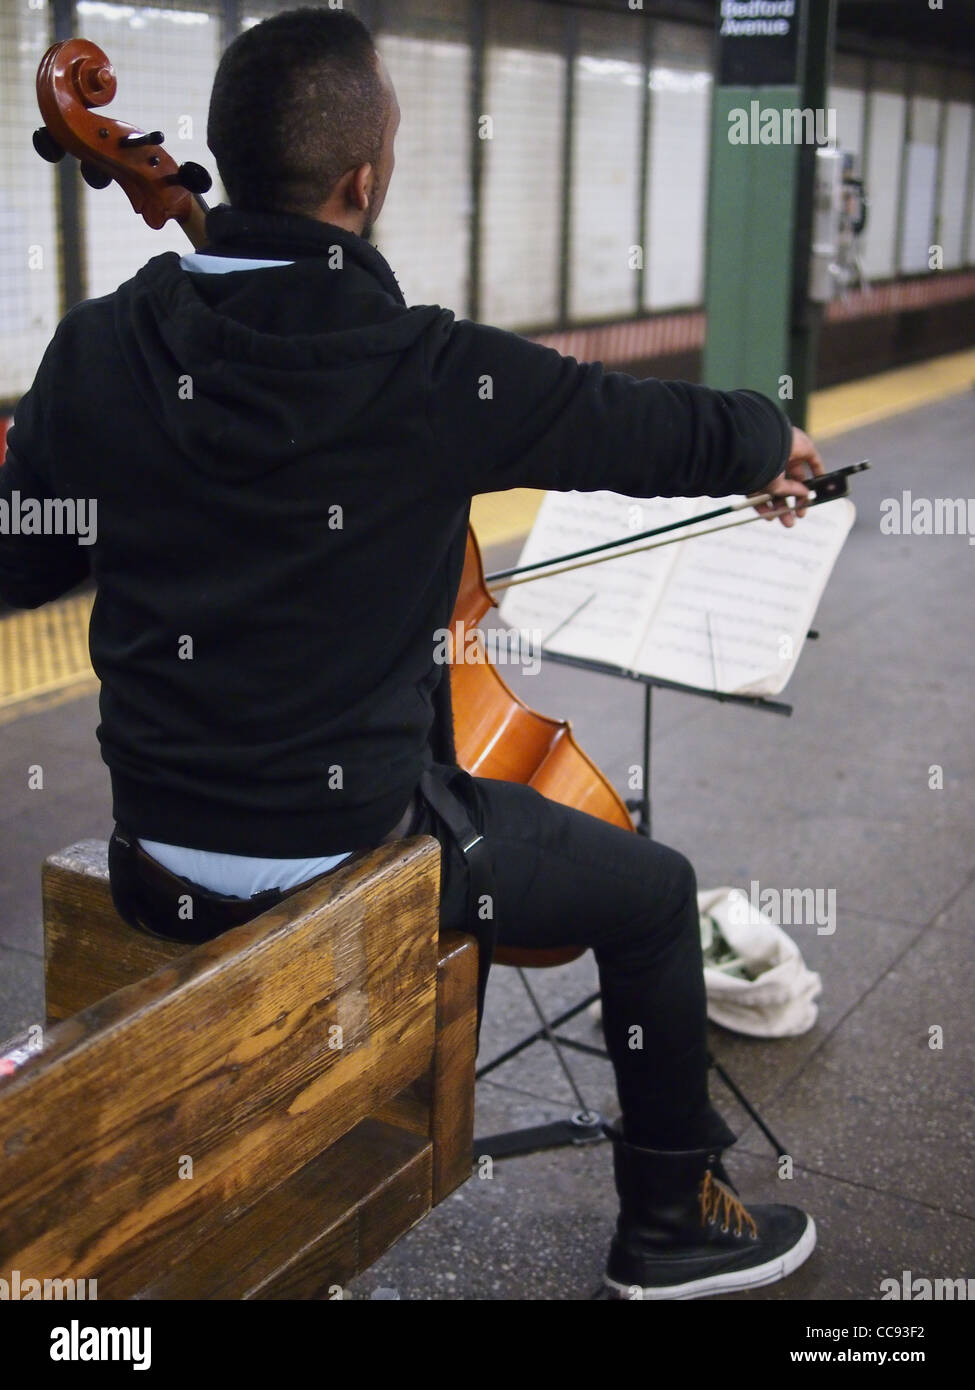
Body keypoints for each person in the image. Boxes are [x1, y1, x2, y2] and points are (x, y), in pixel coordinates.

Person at [0, 8, 824, 1300]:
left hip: (153, 866)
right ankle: (670, 1216)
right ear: (363, 182)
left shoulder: (100, 352)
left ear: (222, 152)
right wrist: (766, 440)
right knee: (655, 893)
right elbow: (633, 428)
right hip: (354, 869)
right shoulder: (431, 375)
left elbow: (21, 560)